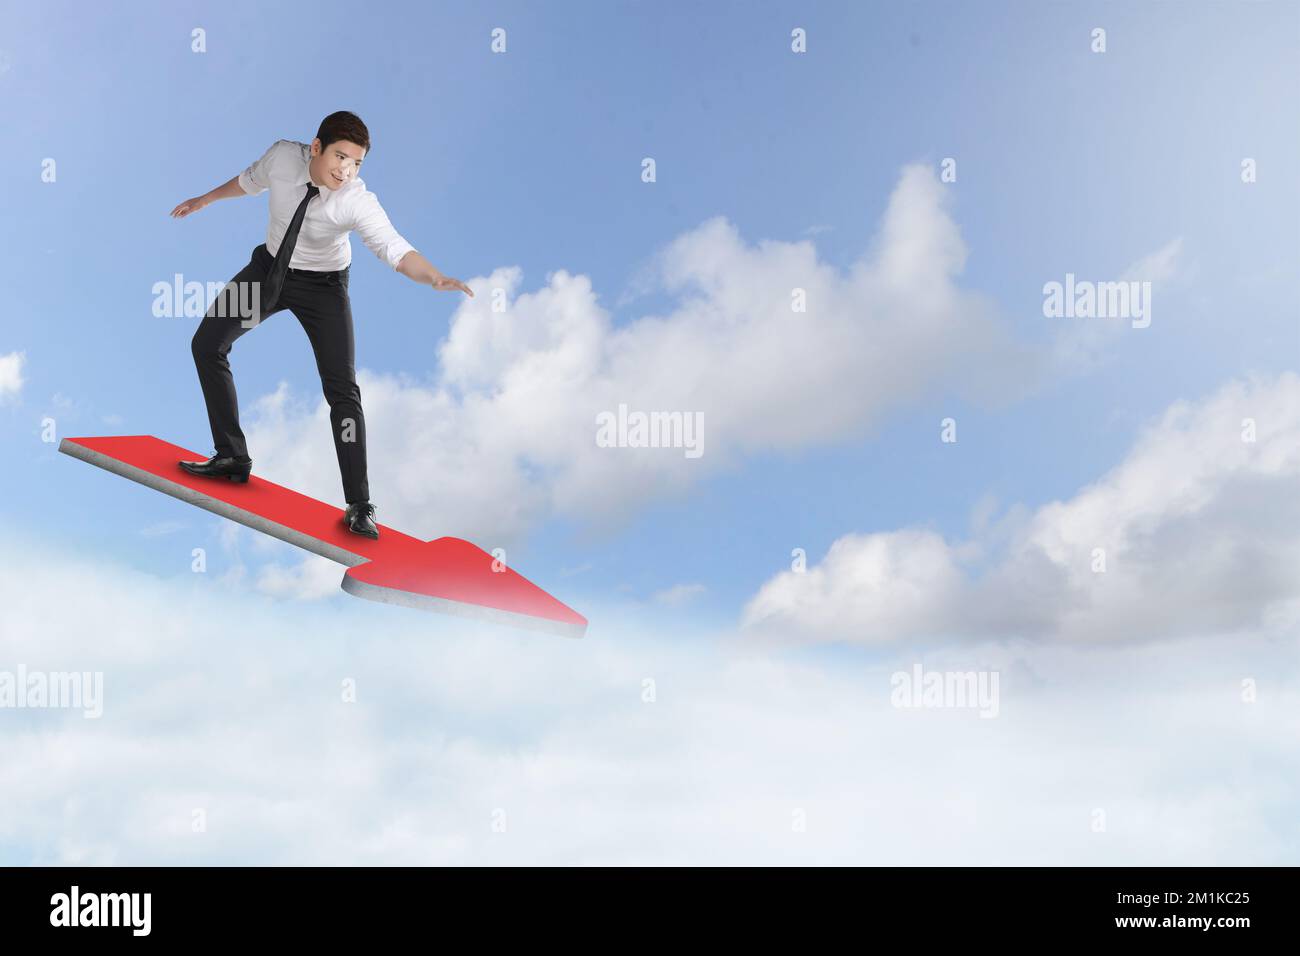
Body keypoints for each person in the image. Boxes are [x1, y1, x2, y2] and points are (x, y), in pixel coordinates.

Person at [169, 111, 471, 540]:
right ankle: (231, 456)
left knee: (342, 389)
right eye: (340, 157)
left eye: (357, 164)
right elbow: (247, 181)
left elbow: (395, 248)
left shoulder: (356, 200)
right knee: (207, 344)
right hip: (267, 272)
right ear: (316, 148)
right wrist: (204, 199)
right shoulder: (281, 158)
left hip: (324, 290)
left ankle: (359, 504)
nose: (346, 171)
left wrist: (434, 276)